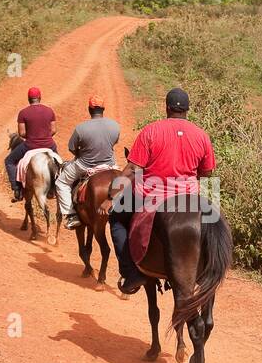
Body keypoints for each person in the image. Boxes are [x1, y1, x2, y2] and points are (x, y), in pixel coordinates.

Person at [99, 87, 215, 295]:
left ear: (167, 107)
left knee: (117, 217)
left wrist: (110, 197)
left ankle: (131, 272)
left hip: (152, 195)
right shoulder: (201, 135)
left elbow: (133, 168)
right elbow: (207, 172)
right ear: (188, 110)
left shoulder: (151, 131)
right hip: (188, 196)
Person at [57, 96, 121, 229]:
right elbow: (114, 142)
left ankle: (71, 215)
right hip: (110, 164)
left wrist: (81, 154)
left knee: (61, 182)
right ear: (103, 109)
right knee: (127, 181)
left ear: (89, 109)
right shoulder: (115, 125)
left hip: (85, 165)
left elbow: (71, 148)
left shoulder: (81, 128)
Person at [5, 86, 57, 202]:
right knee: (58, 162)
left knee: (9, 161)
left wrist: (33, 136)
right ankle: (57, 186)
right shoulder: (49, 111)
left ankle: (17, 189)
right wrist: (45, 136)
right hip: (49, 144)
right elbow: (54, 130)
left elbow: (22, 133)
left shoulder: (23, 113)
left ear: (29, 99)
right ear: (40, 97)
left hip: (30, 145)